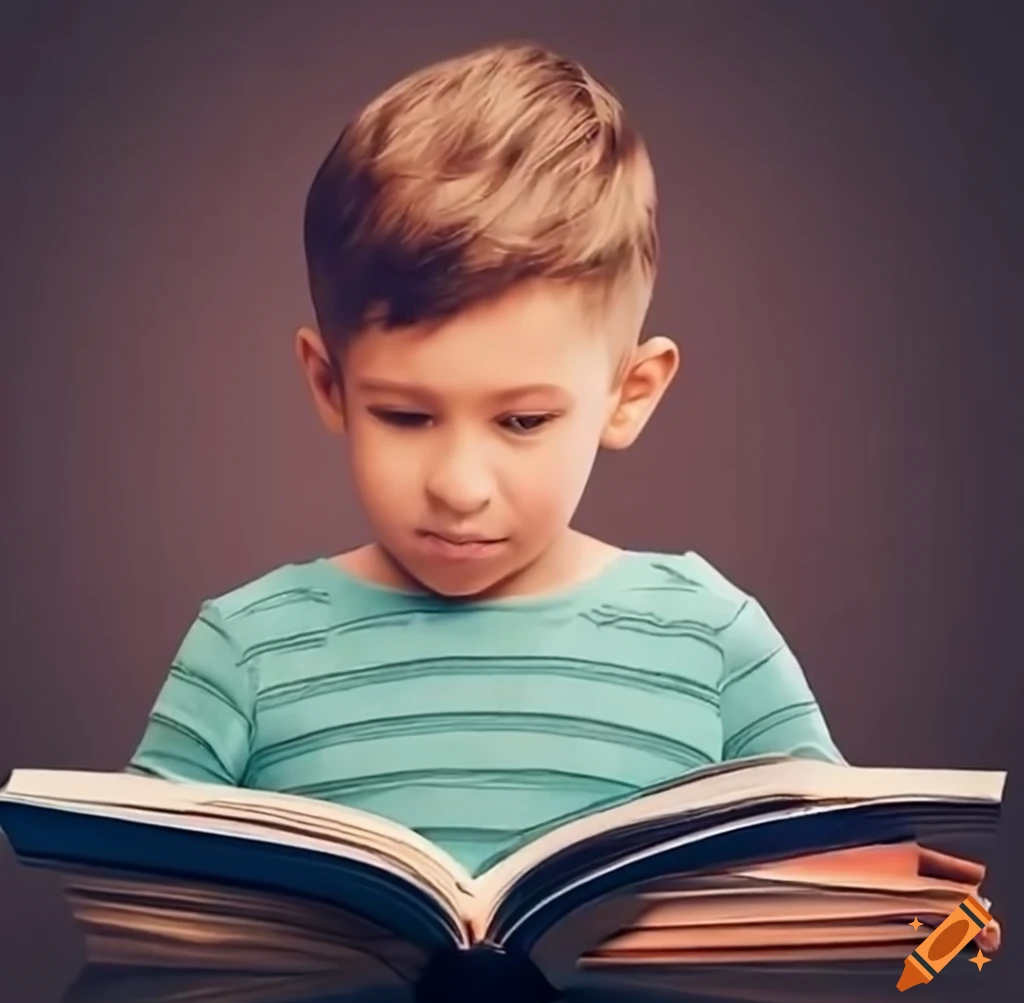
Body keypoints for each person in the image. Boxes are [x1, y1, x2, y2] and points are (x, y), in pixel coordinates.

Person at [125, 42, 998, 951]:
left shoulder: (711, 640)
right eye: (406, 416)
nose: (460, 487)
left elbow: (839, 883)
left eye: (524, 422)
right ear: (328, 383)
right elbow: (137, 909)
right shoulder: (247, 652)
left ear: (631, 393)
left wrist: (912, 924)